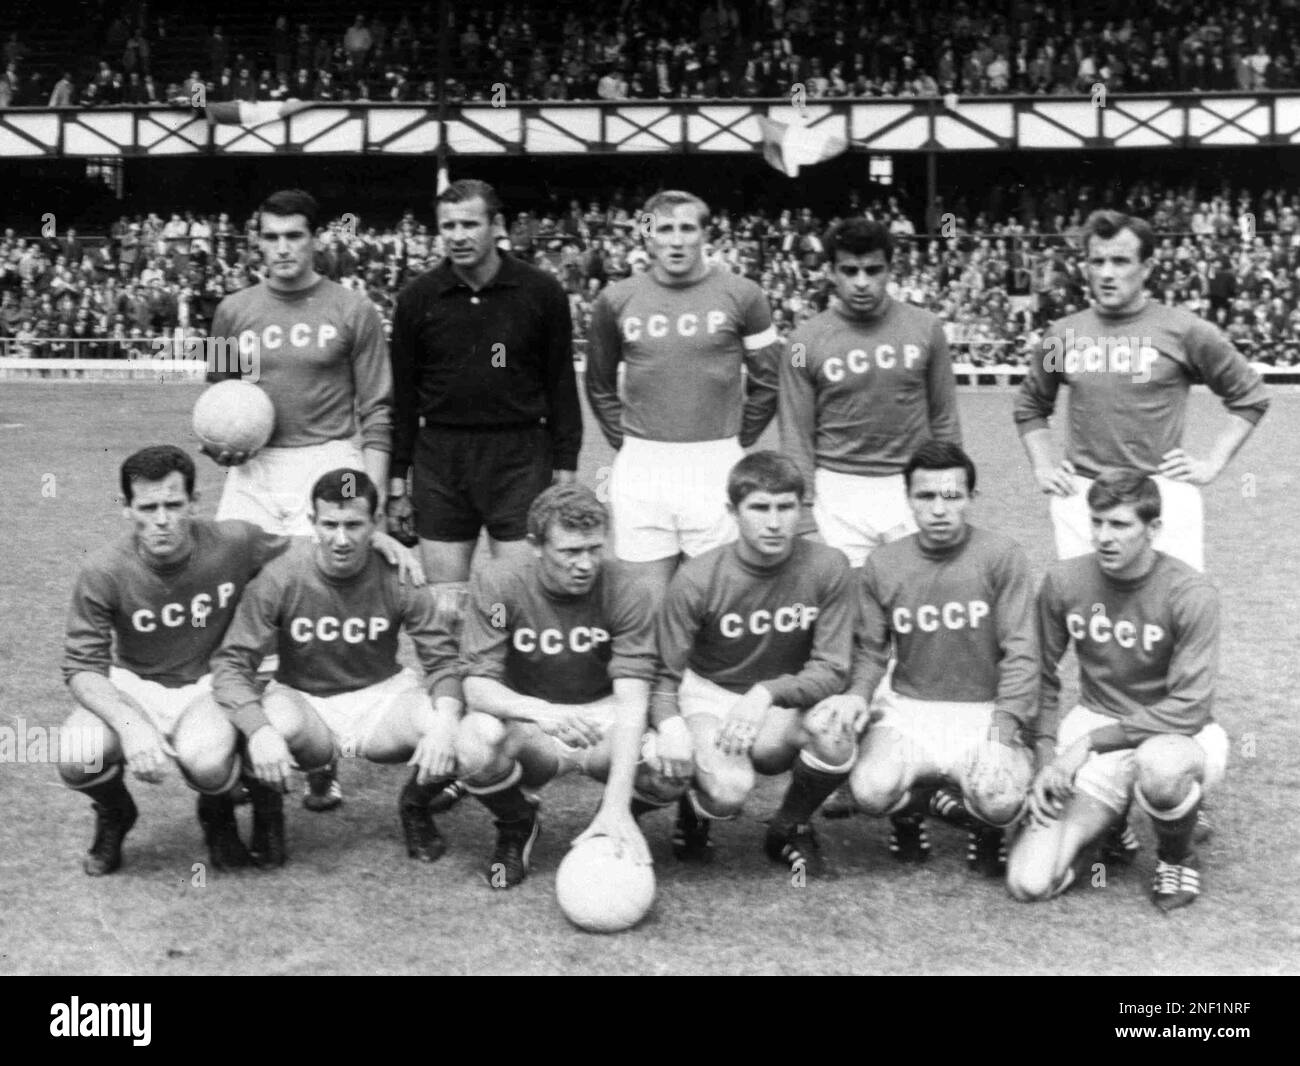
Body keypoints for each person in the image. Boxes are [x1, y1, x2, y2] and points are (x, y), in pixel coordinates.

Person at [56, 446, 422, 877]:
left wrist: (374, 536)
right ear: (127, 510)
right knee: (78, 756)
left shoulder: (235, 542)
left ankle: (217, 813)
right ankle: (116, 812)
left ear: (194, 504)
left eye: (174, 505)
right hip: (135, 684)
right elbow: (82, 667)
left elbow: (317, 539)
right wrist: (130, 727)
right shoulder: (103, 570)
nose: (162, 519)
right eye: (148, 507)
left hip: (210, 685)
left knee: (207, 762)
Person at [207, 187, 395, 813]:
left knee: (322, 598)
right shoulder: (232, 310)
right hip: (256, 470)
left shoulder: (353, 309)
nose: (282, 248)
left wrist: (374, 497)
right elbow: (219, 399)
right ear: (256, 242)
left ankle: (322, 755)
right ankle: (250, 743)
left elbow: (377, 409)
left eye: (294, 236)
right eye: (270, 237)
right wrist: (220, 447)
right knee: (235, 598)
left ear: (316, 239)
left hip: (329, 462)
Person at [211, 469, 462, 868]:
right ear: (312, 523)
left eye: (354, 525)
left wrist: (447, 720)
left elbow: (442, 659)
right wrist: (257, 730)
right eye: (329, 524)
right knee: (266, 724)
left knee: (449, 726)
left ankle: (415, 806)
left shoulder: (400, 573)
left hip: (381, 699)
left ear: (375, 525)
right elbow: (231, 662)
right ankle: (268, 821)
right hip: (305, 700)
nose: (341, 539)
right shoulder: (281, 575)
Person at [1006, 471, 1228, 912]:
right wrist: (1048, 758)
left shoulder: (1191, 591)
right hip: (1095, 720)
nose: (1104, 537)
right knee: (1029, 882)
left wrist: (1087, 745)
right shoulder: (1065, 581)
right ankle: (1110, 830)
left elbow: (1188, 707)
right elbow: (1041, 674)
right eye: (1097, 522)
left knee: (1159, 768)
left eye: (1120, 525)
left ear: (1154, 529)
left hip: (1176, 733)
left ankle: (1176, 857)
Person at [453, 484, 693, 888]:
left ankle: (619, 817)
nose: (585, 564)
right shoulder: (500, 584)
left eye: (594, 549)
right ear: (535, 545)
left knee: (672, 765)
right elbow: (478, 687)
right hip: (533, 723)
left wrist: (617, 804)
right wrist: (544, 712)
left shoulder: (629, 588)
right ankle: (517, 823)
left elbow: (634, 701)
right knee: (474, 740)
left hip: (606, 719)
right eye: (570, 552)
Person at [818, 442, 1037, 875]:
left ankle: (984, 823)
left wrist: (1002, 729)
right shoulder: (884, 562)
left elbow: (1022, 651)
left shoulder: (1001, 556)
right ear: (909, 500)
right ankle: (913, 809)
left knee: (1002, 799)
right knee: (870, 791)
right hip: (911, 711)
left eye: (952, 496)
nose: (939, 509)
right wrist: (858, 696)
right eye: (926, 497)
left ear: (972, 499)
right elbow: (871, 651)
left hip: (982, 709)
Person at [1014, 209, 1270, 574]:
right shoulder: (1063, 335)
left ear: (1147, 268)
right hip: (1085, 495)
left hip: (1163, 495)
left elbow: (1250, 397)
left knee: (1170, 616)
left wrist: (1211, 464)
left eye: (1120, 261)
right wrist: (1042, 466)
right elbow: (1032, 404)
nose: (1106, 273)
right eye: (1097, 261)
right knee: (1089, 620)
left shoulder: (1184, 331)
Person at [650, 451, 856, 877]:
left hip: (780, 700)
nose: (775, 522)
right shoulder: (698, 577)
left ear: (803, 509)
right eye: (760, 508)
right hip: (710, 693)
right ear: (732, 511)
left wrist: (766, 693)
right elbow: (664, 673)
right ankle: (696, 807)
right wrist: (671, 728)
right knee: (728, 791)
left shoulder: (829, 566)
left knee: (835, 733)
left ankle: (790, 824)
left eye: (786, 507)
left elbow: (833, 669)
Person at [388, 179, 581, 626]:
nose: (458, 236)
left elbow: (560, 384)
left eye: (469, 224)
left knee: (520, 600)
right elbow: (403, 396)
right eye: (448, 226)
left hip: (520, 456)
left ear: (496, 225)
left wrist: (566, 464)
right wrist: (398, 480)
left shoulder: (541, 292)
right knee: (444, 606)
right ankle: (453, 695)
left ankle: (510, 692)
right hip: (440, 457)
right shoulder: (417, 298)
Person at [584, 189, 781, 596]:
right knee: (645, 605)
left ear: (706, 234)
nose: (676, 240)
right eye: (665, 228)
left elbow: (769, 380)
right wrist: (626, 441)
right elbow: (599, 382)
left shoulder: (744, 295)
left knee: (712, 600)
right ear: (648, 236)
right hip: (642, 464)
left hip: (716, 460)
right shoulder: (616, 299)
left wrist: (736, 439)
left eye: (687, 228)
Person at [779, 218, 962, 568]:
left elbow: (945, 419)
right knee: (848, 610)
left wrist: (951, 493)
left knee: (917, 605)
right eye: (849, 270)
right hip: (838, 491)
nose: (861, 282)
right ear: (831, 272)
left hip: (913, 485)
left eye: (873, 270)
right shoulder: (802, 342)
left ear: (891, 269)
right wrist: (804, 518)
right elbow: (795, 434)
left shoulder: (927, 329)